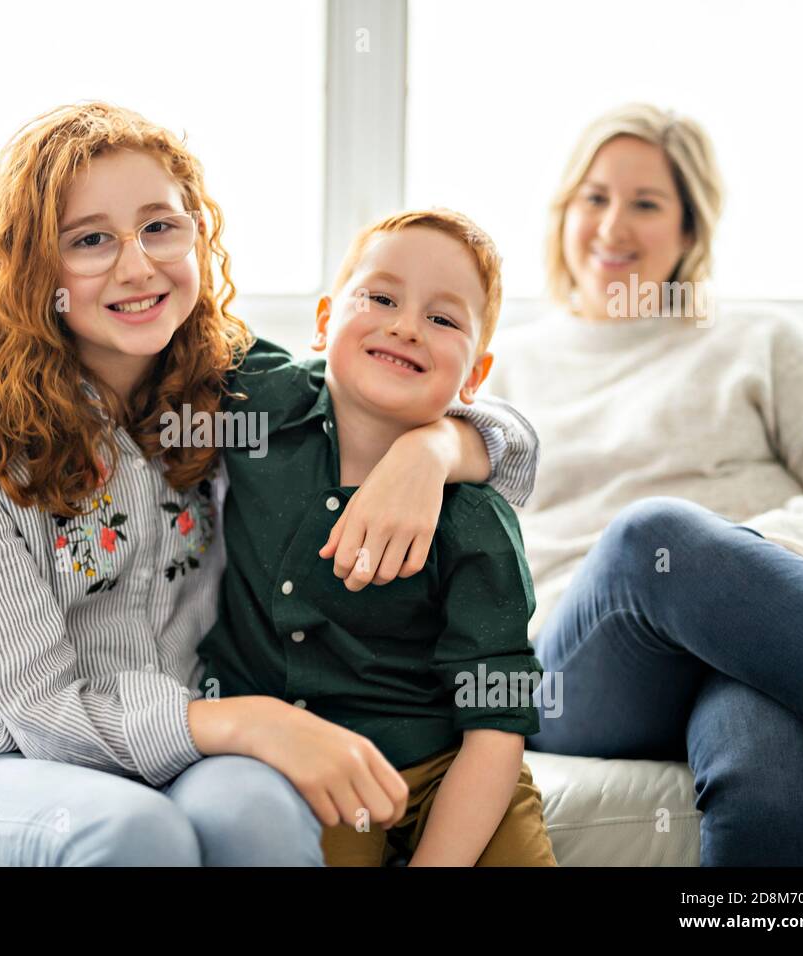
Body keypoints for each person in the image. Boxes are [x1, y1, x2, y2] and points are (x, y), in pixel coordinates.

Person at [0, 103, 541, 865]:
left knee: (260, 810)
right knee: (134, 832)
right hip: (1, 754)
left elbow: (501, 444)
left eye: (160, 227)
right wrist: (252, 722)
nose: (137, 266)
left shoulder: (222, 385)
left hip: (189, 741)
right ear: (35, 267)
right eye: (91, 240)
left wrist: (432, 449)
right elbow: (44, 714)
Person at [485, 102, 803, 865]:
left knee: (776, 771)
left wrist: (739, 561)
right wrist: (701, 558)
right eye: (595, 197)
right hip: (585, 669)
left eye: (647, 203)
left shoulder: (759, 338)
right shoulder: (504, 368)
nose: (613, 225)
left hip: (749, 650)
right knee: (650, 537)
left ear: (691, 229)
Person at [197, 209, 556, 866]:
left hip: (448, 764)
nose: (405, 325)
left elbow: (495, 726)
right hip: (307, 763)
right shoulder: (255, 397)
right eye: (381, 297)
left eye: (443, 319)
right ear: (325, 318)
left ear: (476, 374)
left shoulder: (476, 518)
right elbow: (149, 320)